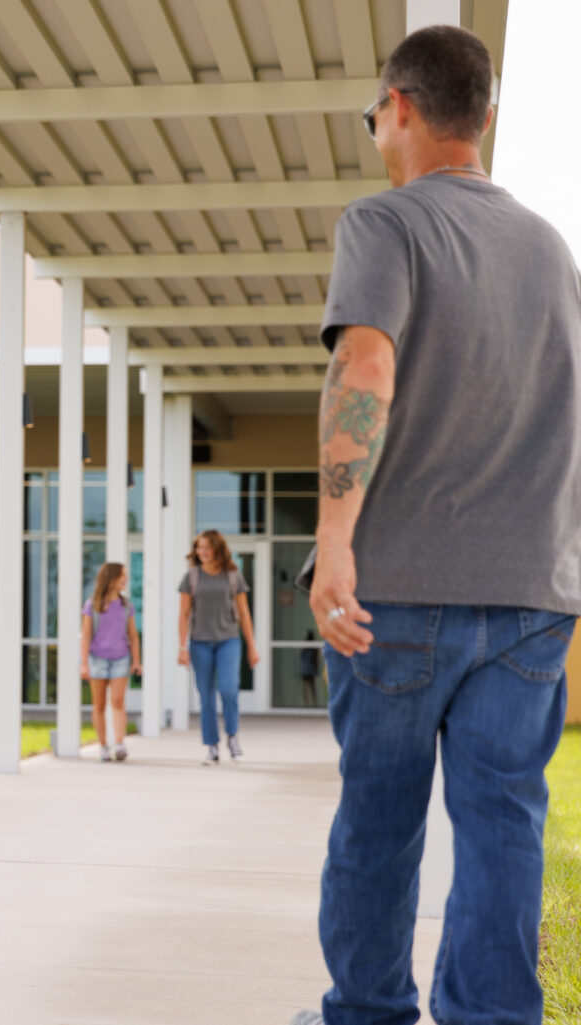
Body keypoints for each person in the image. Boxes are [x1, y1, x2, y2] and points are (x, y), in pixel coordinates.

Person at [291, 25, 581, 1025]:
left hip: (398, 592)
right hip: (534, 593)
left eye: (374, 113)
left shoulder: (389, 225)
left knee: (380, 818)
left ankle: (369, 1009)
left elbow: (364, 365)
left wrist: (332, 541)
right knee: (504, 819)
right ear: (486, 116)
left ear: (397, 107)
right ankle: (494, 1016)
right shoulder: (552, 249)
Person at [177, 530, 259, 765]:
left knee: (229, 690)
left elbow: (244, 613)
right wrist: (182, 647)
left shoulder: (233, 576)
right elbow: (183, 615)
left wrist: (252, 647)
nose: (203, 552)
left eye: (208, 548)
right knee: (206, 697)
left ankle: (232, 738)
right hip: (200, 642)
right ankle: (211, 746)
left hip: (228, 640)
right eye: (199, 548)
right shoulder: (191, 577)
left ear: (218, 549)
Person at [79, 561, 140, 762]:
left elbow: (133, 635)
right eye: (123, 575)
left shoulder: (126, 606)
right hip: (97, 659)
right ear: (112, 578)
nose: (126, 579)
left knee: (118, 702)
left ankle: (120, 744)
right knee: (99, 704)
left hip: (120, 659)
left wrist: (136, 661)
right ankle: (103, 746)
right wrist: (84, 663)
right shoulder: (92, 605)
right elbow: (86, 636)